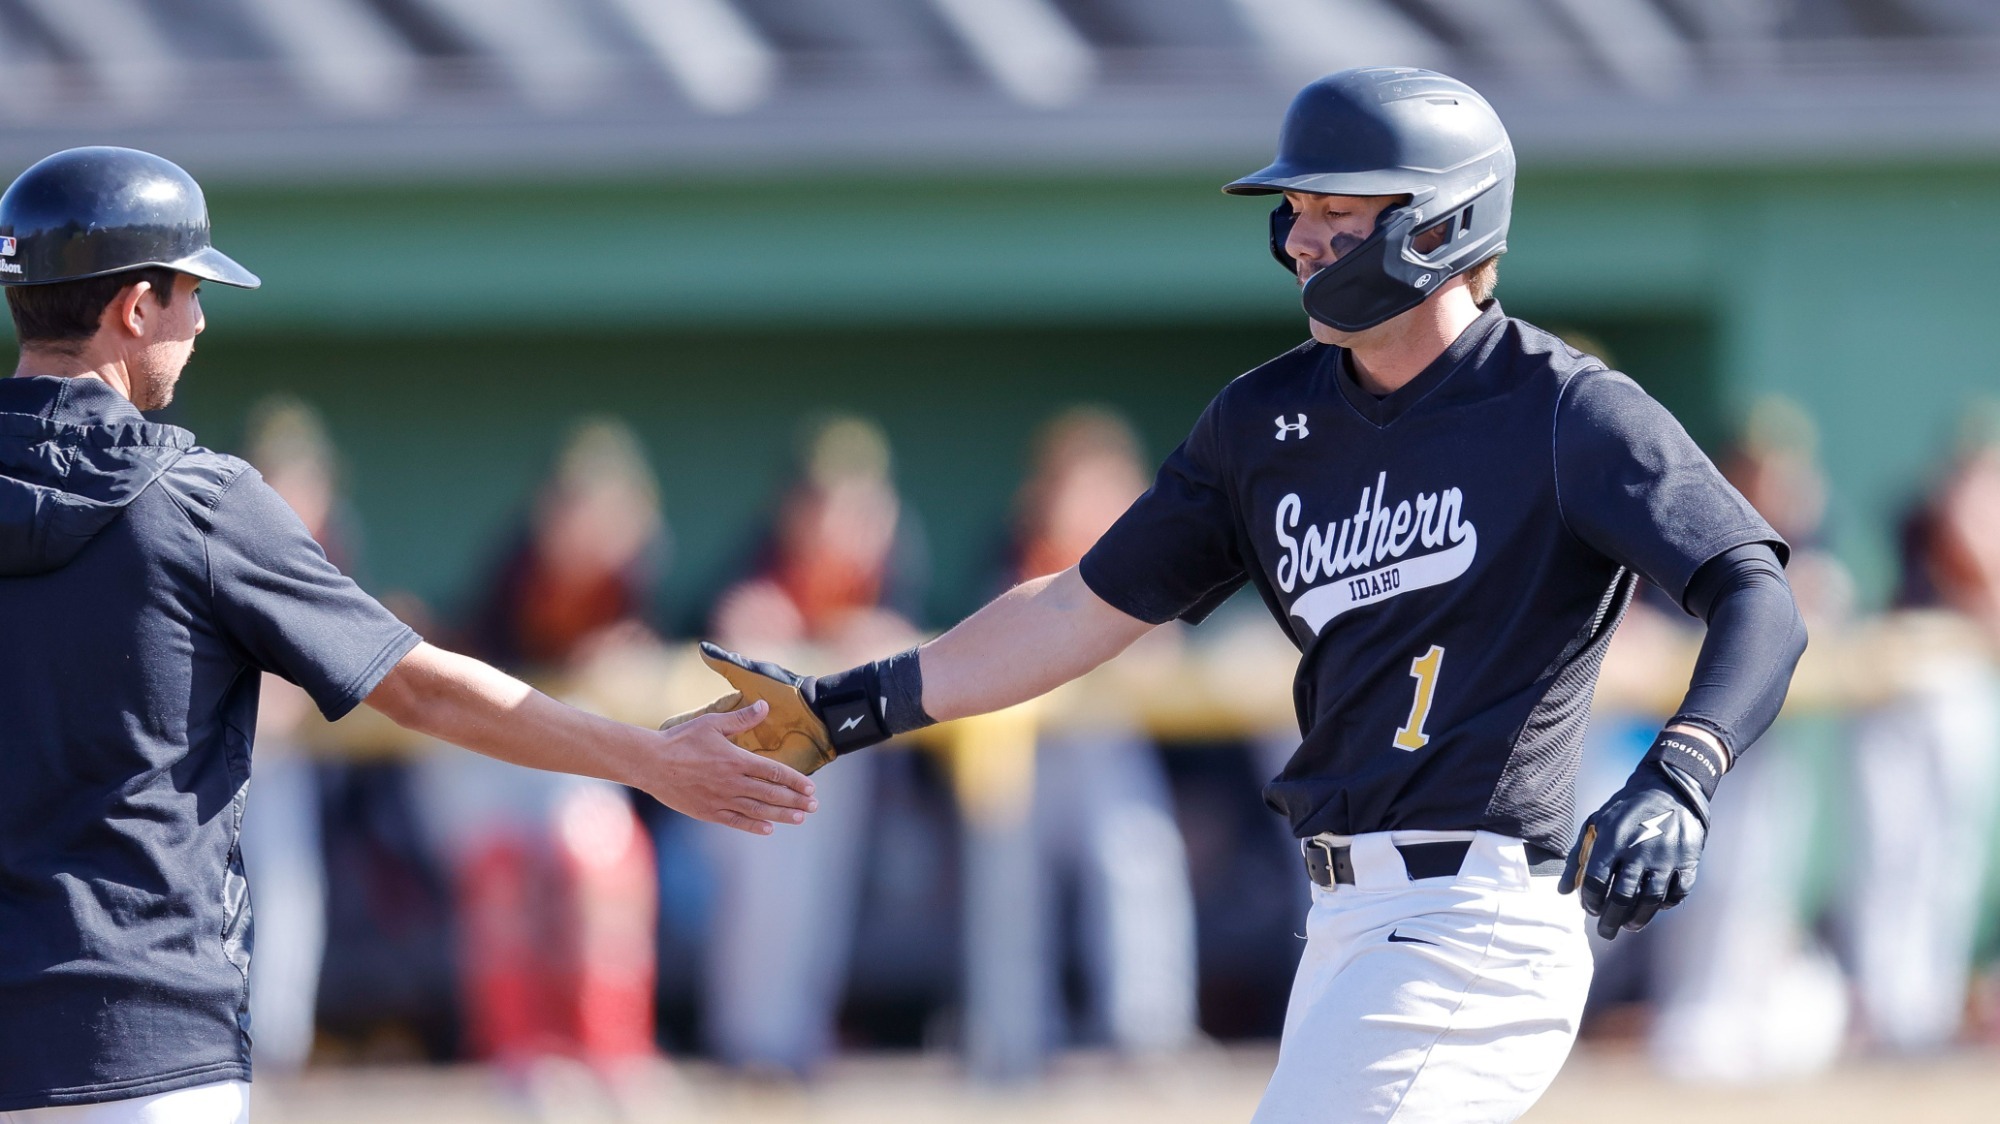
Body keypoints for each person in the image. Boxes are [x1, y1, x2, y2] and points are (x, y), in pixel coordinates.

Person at [668, 68, 1806, 1123]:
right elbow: (1076, 607)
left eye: (1335, 212)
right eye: (1294, 212)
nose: (1301, 241)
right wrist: (847, 707)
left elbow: (1755, 589)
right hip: (1344, 925)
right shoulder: (1264, 422)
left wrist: (1681, 770)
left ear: (1442, 219)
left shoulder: (1563, 410)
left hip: (1477, 922)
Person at [0, 147, 813, 1124]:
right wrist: (647, 756)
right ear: (134, 307)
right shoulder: (198, 501)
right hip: (140, 1034)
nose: (201, 318)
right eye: (186, 291)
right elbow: (419, 687)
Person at [696, 415, 929, 1076]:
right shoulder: (760, 558)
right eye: (824, 502)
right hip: (745, 759)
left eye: (858, 503)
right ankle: (746, 1040)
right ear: (796, 505)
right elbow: (710, 631)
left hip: (848, 761)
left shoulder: (892, 563)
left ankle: (796, 1037)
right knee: (765, 895)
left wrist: (877, 633)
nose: (838, 520)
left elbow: (921, 642)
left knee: (821, 899)